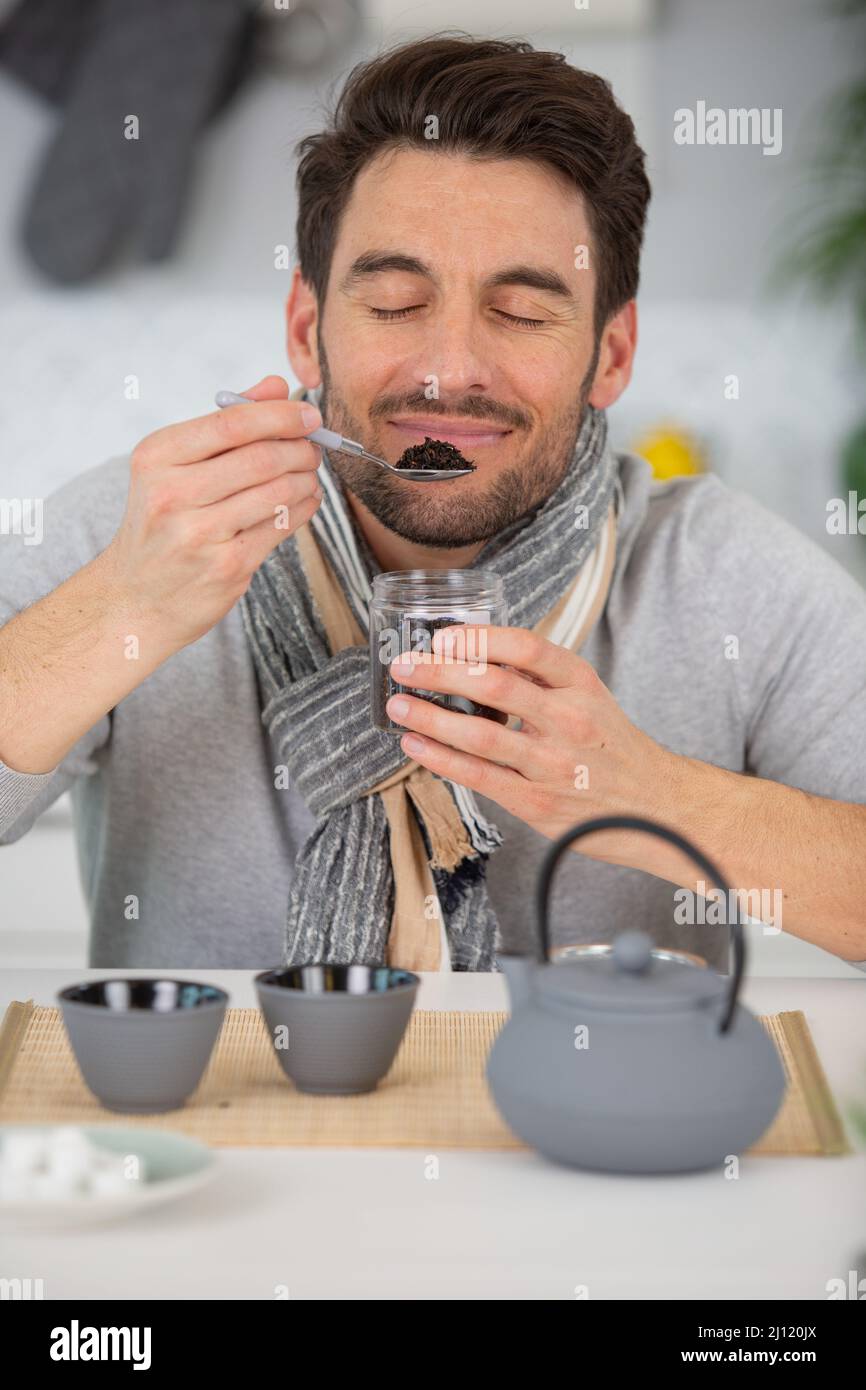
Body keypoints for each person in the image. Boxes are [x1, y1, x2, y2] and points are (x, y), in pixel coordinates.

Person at [1, 35, 864, 972]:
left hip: (595, 1122)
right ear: (306, 328)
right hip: (203, 1119)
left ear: (611, 354)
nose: (450, 372)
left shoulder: (727, 575)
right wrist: (121, 610)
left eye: (523, 313)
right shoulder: (153, 531)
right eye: (396, 302)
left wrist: (651, 797)